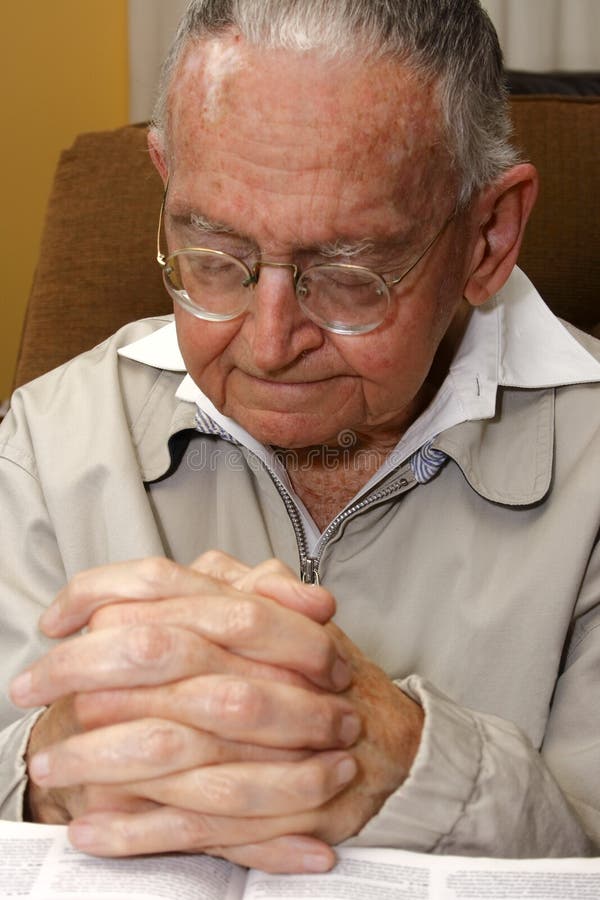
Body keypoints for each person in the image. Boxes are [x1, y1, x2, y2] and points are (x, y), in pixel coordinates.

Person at [1, 0, 599, 875]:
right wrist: (45, 774)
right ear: (166, 182)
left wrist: (413, 764)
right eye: (214, 256)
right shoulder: (48, 443)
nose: (268, 342)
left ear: (488, 236)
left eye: (349, 273)